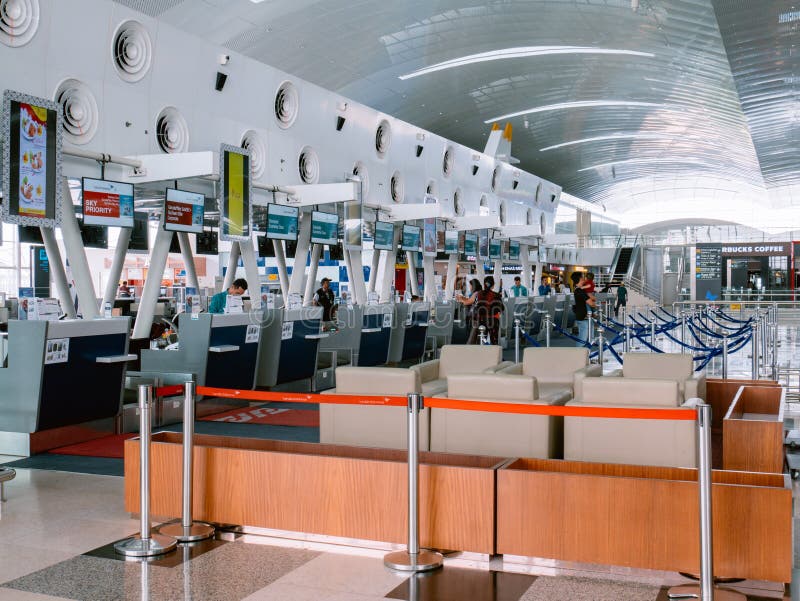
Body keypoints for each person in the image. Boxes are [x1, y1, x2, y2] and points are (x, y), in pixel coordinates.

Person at [473, 276, 504, 345]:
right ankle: (494, 355)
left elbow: (476, 306)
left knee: (481, 341)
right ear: (493, 285)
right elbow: (501, 308)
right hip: (493, 320)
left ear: (484, 284)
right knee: (494, 341)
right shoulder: (496, 295)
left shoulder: (479, 294)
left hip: (481, 320)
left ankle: (482, 355)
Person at [455, 278, 482, 344]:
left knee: (473, 333)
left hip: (474, 316)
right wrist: (462, 298)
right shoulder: (479, 292)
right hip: (477, 316)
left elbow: (468, 302)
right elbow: (470, 299)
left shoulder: (476, 293)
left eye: (470, 285)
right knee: (475, 334)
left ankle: (470, 346)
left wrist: (461, 300)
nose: (469, 287)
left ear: (473, 286)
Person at [573, 276, 590, 346]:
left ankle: (581, 349)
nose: (583, 281)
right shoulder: (578, 290)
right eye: (581, 280)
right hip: (581, 315)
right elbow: (589, 302)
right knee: (583, 335)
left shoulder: (579, 290)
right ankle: (579, 350)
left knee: (583, 333)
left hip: (581, 314)